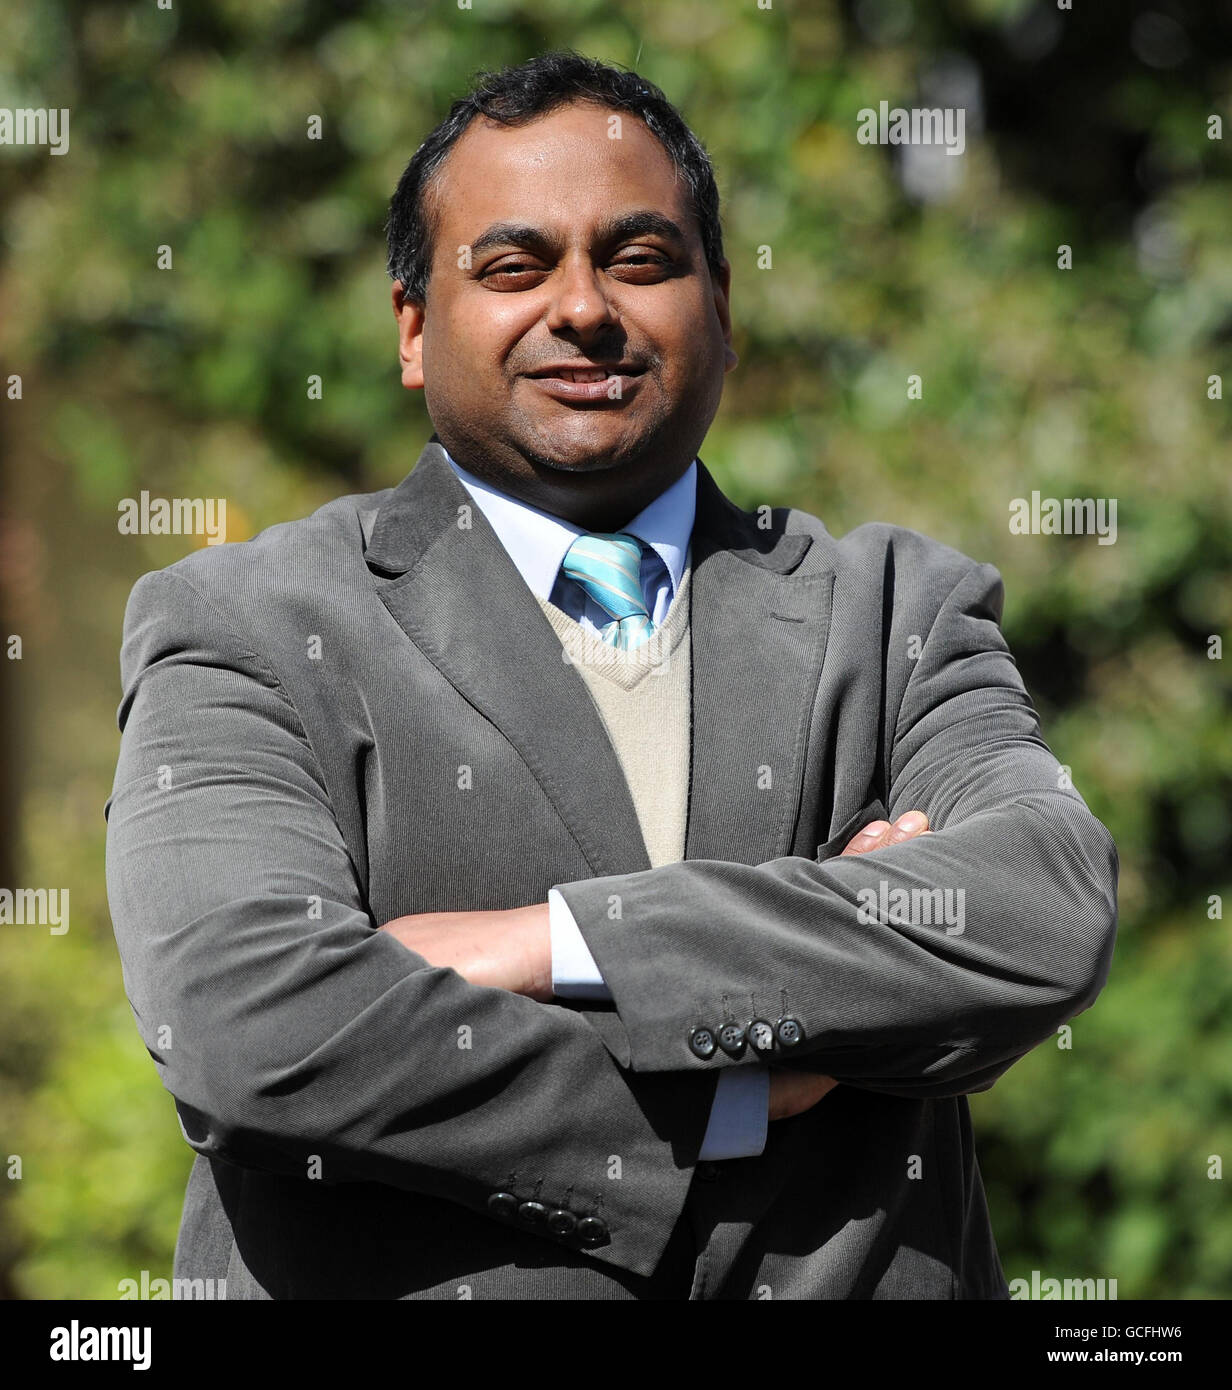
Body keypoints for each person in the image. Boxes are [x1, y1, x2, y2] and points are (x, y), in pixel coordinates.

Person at [104, 52, 1118, 1300]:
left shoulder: (894, 612)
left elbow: (1041, 906)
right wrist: (741, 1083)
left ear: (723, 309)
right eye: (515, 266)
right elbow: (243, 1027)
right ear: (414, 330)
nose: (583, 308)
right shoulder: (246, 625)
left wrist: (556, 941)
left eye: (639, 261)